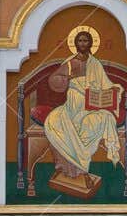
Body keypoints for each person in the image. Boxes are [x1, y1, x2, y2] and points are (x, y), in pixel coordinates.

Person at [42, 29, 122, 189]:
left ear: (91, 43)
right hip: (72, 106)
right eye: (80, 41)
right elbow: (53, 80)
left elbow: (105, 84)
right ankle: (69, 171)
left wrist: (114, 90)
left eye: (86, 41)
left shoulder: (95, 64)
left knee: (100, 120)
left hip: (92, 105)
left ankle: (80, 169)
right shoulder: (70, 63)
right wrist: (66, 78)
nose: (83, 44)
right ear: (76, 43)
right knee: (57, 124)